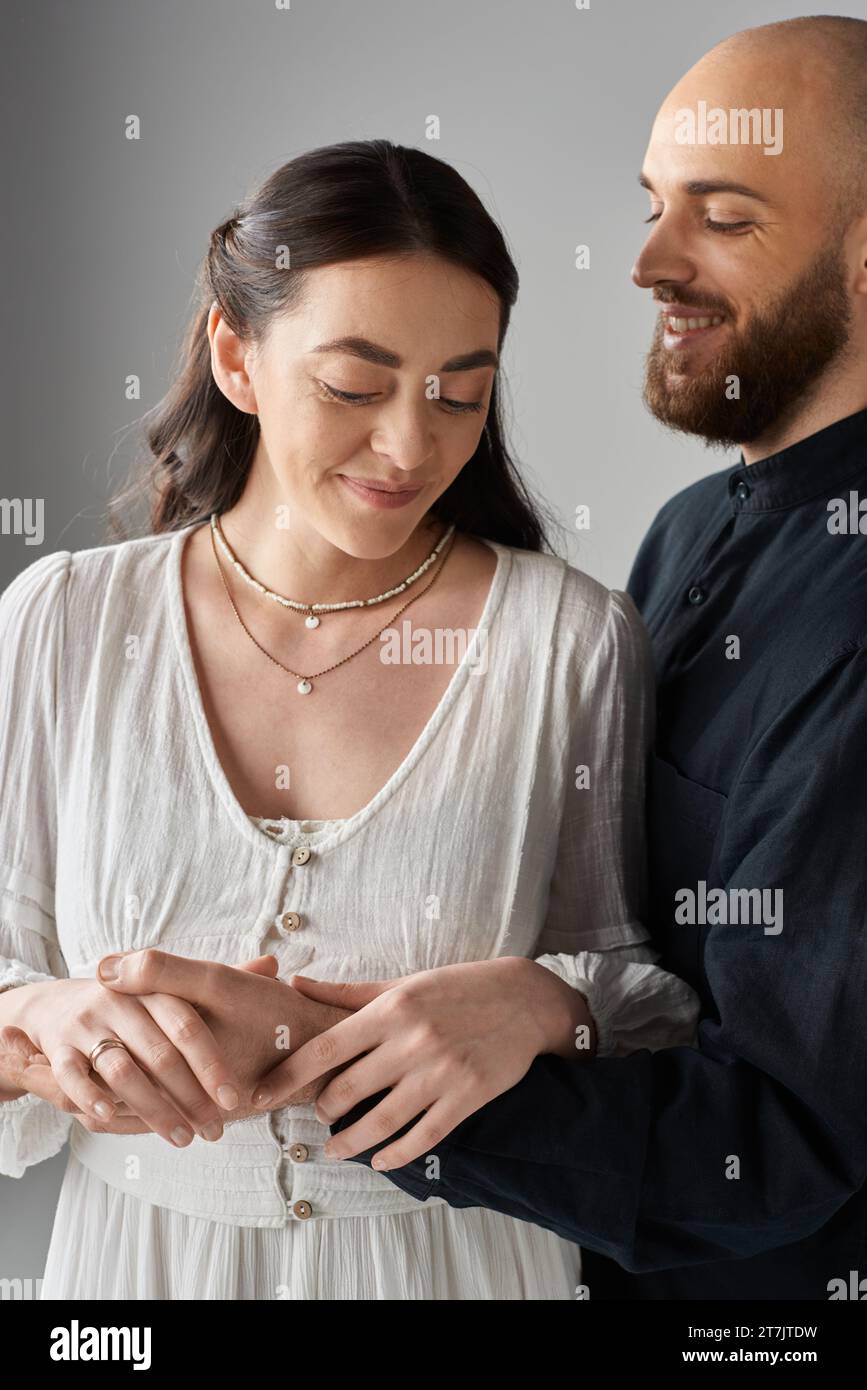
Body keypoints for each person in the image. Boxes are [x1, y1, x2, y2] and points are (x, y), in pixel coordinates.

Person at [0, 140, 698, 1300]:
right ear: (237, 354)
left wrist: (545, 1002)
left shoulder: (569, 641)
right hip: (134, 1275)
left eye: (458, 394)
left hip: (463, 1263)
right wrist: (34, 1023)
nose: (410, 445)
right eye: (354, 386)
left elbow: (653, 1007)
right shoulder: (63, 622)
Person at [276, 17, 867, 1300]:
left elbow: (794, 1137)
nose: (652, 259)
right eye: (654, 206)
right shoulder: (693, 531)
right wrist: (555, 999)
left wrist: (319, 1069)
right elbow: (625, 949)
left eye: (724, 214)